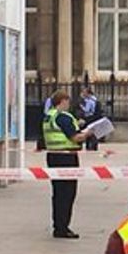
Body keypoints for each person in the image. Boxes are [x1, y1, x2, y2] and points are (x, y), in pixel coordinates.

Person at [43, 90, 89, 239]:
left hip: (53, 156)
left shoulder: (49, 116)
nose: (68, 104)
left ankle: (58, 225)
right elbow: (75, 137)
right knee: (68, 193)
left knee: (57, 193)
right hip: (67, 158)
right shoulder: (63, 117)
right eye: (67, 101)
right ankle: (63, 227)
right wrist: (89, 133)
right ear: (62, 101)